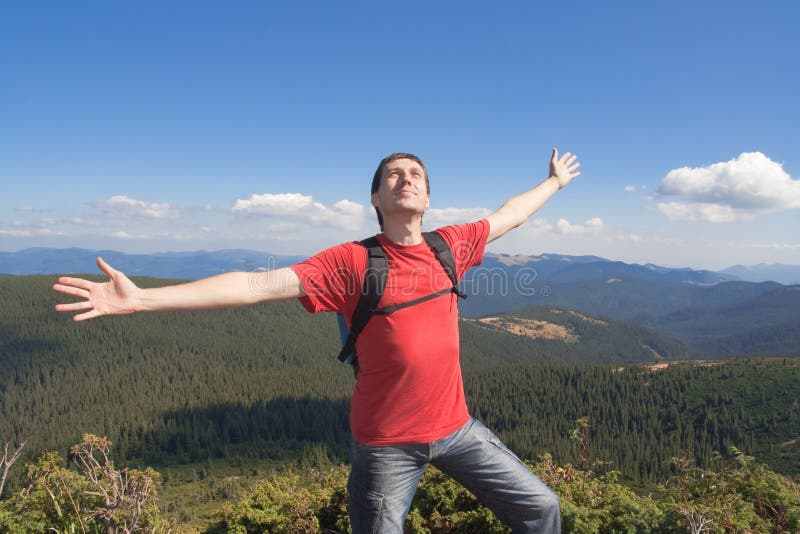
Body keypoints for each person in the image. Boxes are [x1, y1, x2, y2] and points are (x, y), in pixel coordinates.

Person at [53, 148, 580, 533]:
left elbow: (510, 215)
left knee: (542, 510)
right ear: (376, 197)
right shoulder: (351, 261)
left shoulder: (452, 246)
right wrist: (141, 299)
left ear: (427, 194)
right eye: (393, 174)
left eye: (415, 173)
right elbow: (256, 285)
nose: (406, 178)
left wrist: (553, 182)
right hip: (385, 443)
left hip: (457, 429)